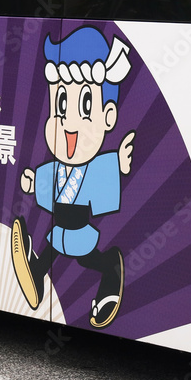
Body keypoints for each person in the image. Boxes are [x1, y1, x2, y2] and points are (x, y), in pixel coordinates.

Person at [11, 26, 135, 328]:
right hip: (61, 228)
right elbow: (48, 177)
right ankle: (36, 275)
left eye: (84, 107)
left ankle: (111, 268)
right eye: (61, 106)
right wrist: (32, 183)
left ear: (108, 116)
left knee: (86, 257)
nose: (69, 123)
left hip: (77, 228)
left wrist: (117, 163)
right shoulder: (59, 167)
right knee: (55, 250)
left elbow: (103, 173)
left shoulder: (94, 167)